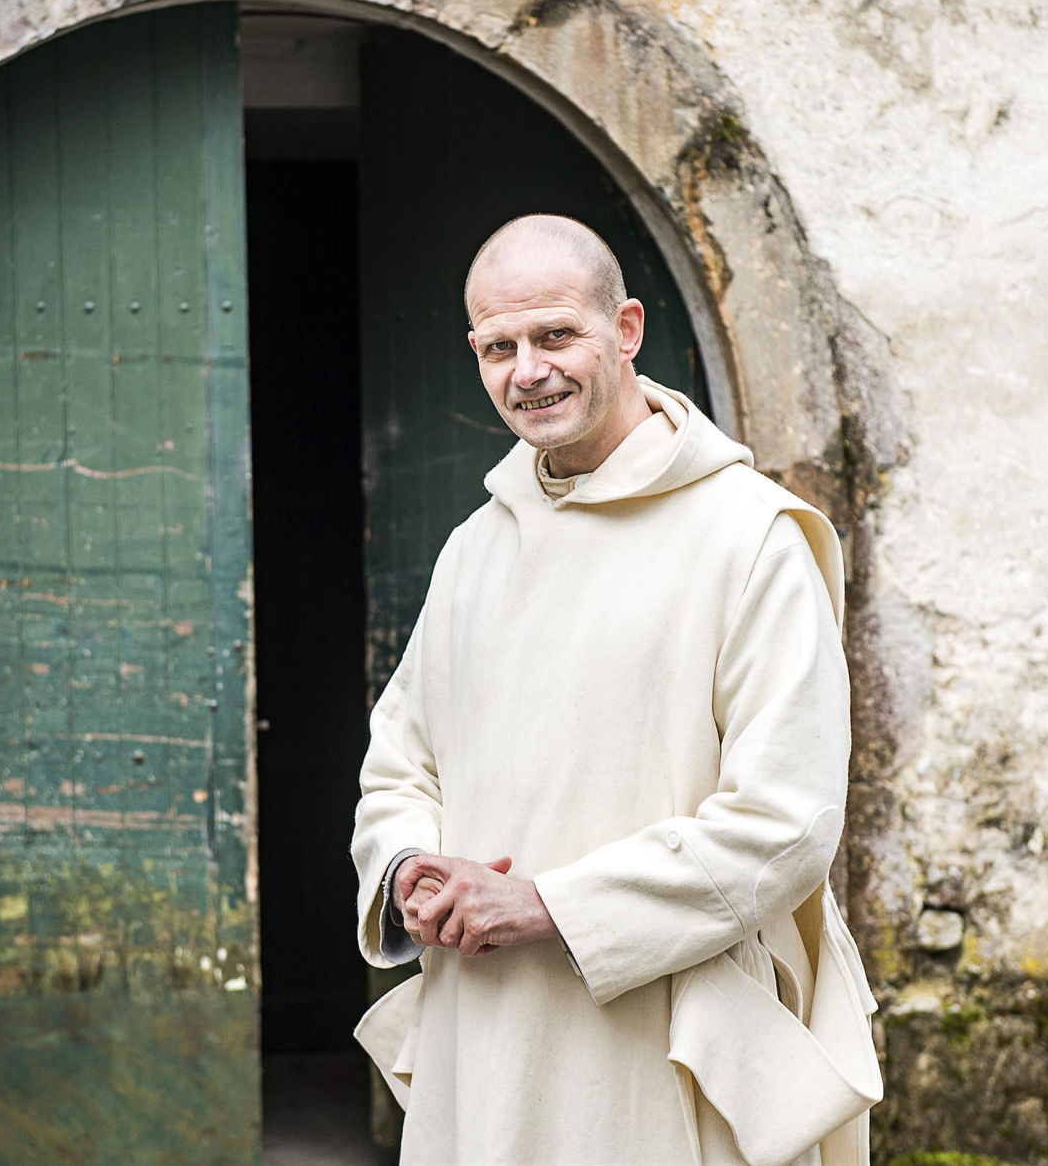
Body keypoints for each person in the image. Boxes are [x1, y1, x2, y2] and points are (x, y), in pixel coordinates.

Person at [349, 215, 881, 1166]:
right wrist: (407, 868)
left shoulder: (749, 538)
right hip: (484, 1036)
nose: (529, 371)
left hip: (654, 1040)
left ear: (626, 327)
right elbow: (400, 765)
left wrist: (549, 904)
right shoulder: (475, 548)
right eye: (498, 347)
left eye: (557, 335)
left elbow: (786, 820)